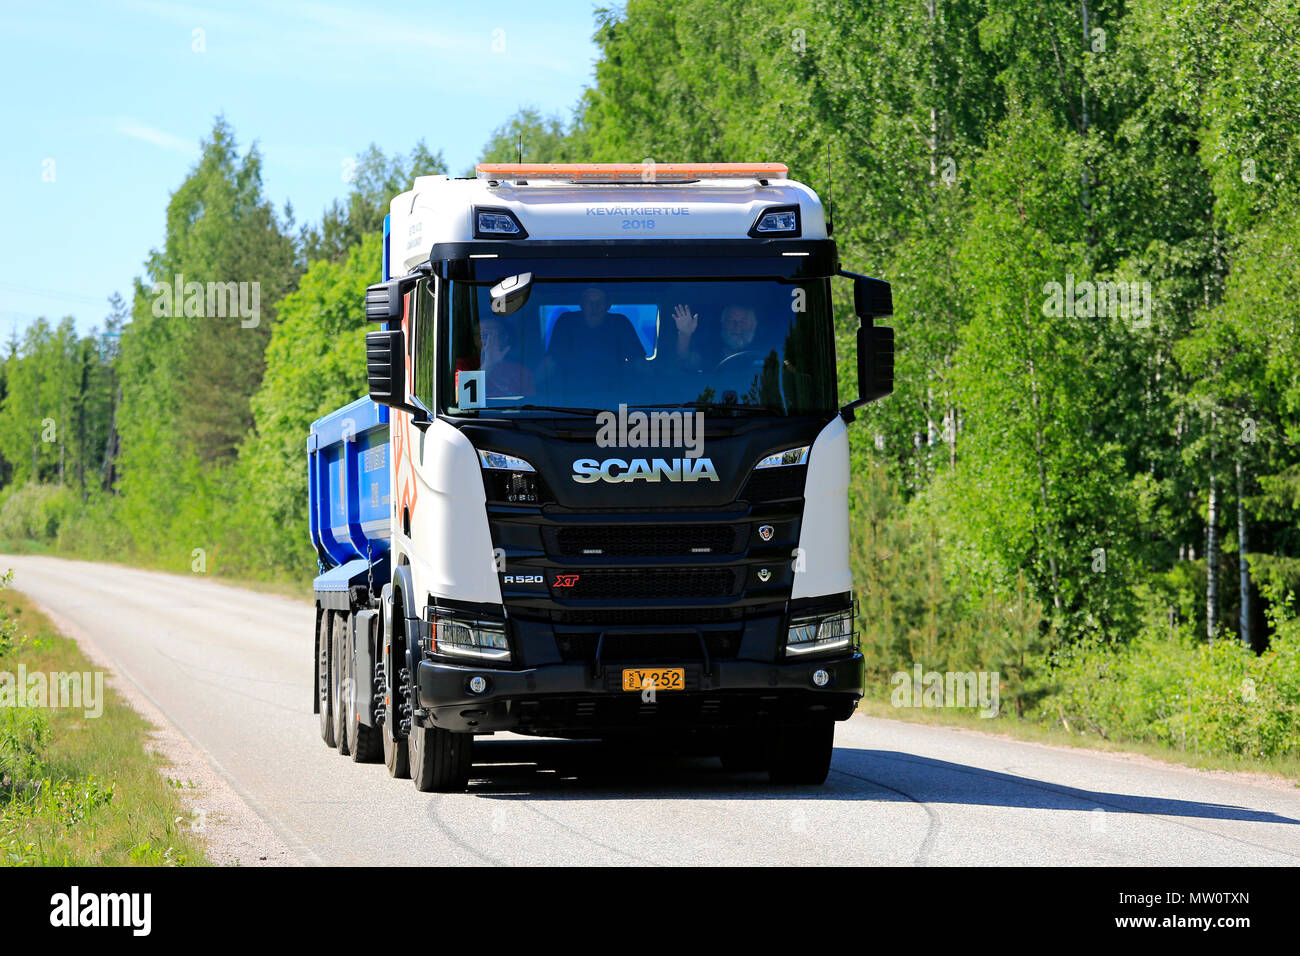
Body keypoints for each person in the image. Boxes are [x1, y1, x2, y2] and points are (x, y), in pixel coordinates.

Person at [544, 287, 646, 386]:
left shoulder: (620, 324)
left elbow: (639, 363)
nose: (594, 307)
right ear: (581, 304)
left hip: (615, 395)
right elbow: (550, 362)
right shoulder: (566, 323)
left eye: (600, 302)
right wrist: (531, 387)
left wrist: (656, 386)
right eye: (589, 302)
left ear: (608, 305)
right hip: (570, 397)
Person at [666, 302, 762, 371]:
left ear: (754, 324)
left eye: (743, 321)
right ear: (723, 323)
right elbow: (684, 359)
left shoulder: (767, 349)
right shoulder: (710, 350)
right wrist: (685, 334)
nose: (737, 326)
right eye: (731, 320)